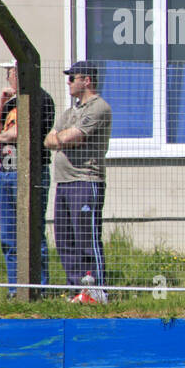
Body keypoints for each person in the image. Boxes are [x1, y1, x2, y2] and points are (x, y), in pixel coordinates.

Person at [0, 60, 55, 296]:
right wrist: (1, 101)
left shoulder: (40, 100)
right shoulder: (12, 102)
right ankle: (15, 289)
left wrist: (1, 137)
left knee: (33, 231)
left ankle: (39, 288)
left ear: (23, 73)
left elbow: (20, 133)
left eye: (11, 72)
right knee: (9, 235)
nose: (8, 78)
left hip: (30, 173)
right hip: (6, 173)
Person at [45, 61, 112, 304]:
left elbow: (74, 136)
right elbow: (49, 139)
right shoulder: (70, 112)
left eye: (73, 78)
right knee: (65, 239)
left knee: (87, 237)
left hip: (85, 180)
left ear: (87, 81)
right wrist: (61, 138)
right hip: (63, 182)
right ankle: (78, 291)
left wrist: (62, 138)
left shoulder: (99, 108)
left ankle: (96, 290)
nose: (68, 82)